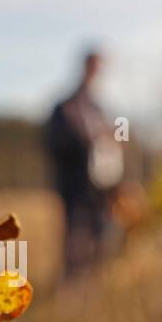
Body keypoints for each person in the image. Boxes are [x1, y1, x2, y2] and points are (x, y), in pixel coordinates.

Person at [45, 49, 125, 276]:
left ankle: (95, 279)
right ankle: (72, 283)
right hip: (74, 184)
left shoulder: (100, 109)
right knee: (76, 236)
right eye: (93, 67)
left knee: (103, 233)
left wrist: (111, 145)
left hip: (100, 186)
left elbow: (112, 142)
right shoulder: (65, 107)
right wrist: (84, 143)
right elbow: (54, 143)